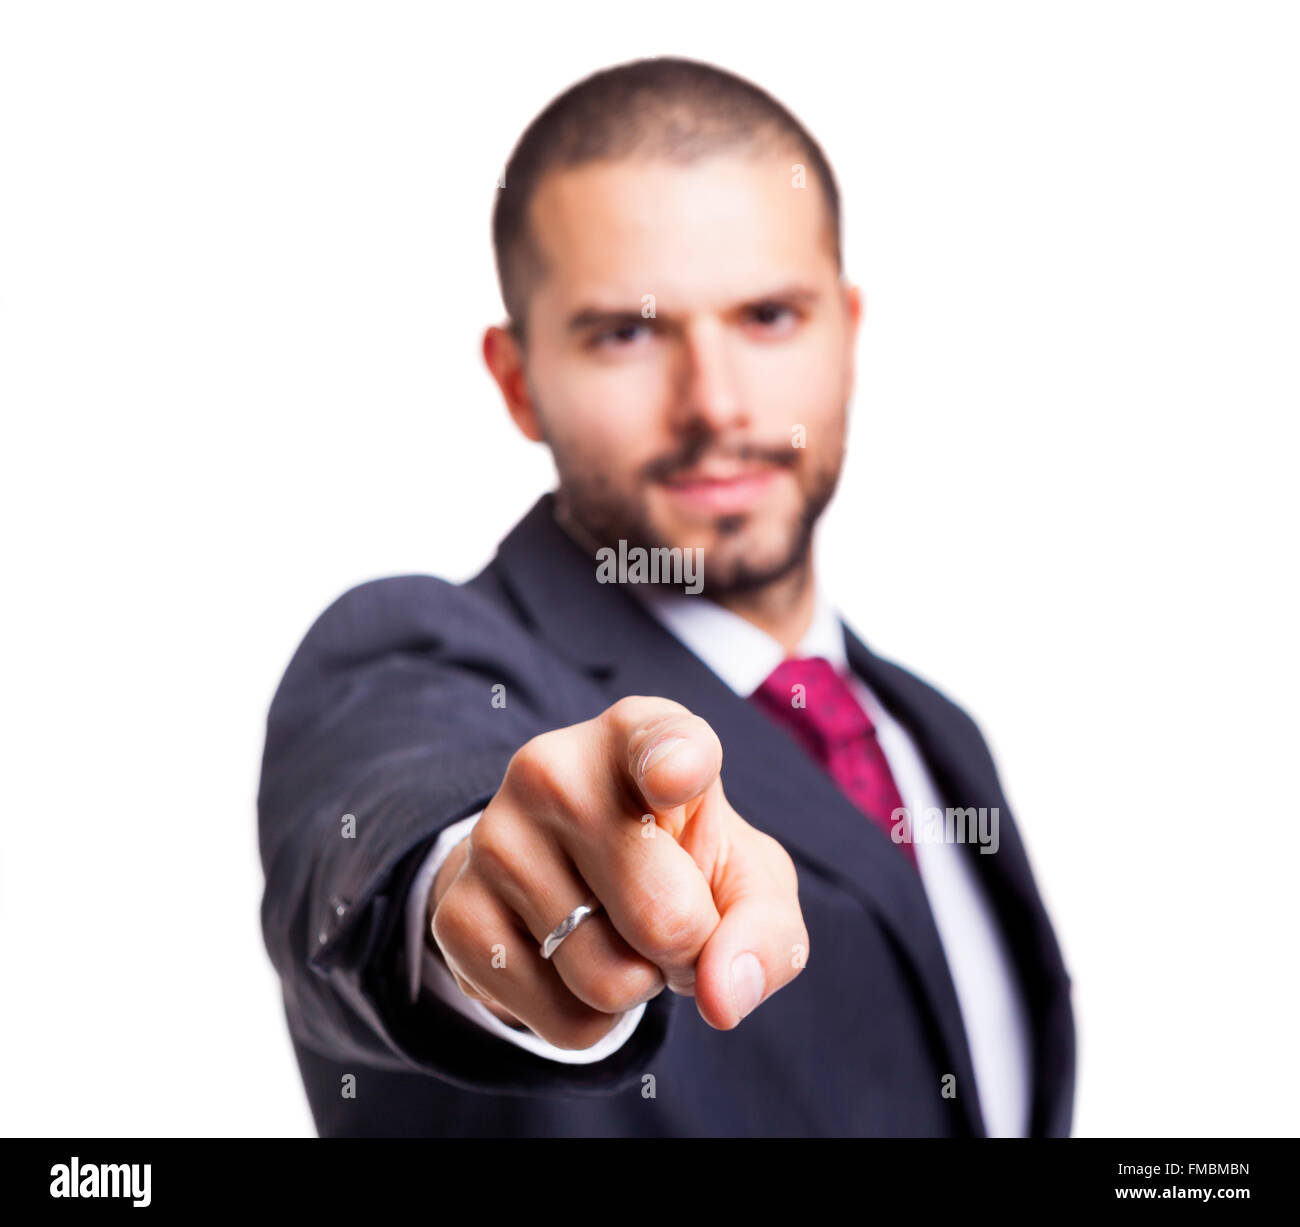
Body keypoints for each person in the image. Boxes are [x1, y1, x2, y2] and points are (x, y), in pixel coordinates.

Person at [258, 55, 1075, 1137]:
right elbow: (392, 844)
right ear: (518, 381)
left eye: (770, 316)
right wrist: (478, 892)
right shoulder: (419, 656)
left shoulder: (933, 732)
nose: (715, 403)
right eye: (628, 333)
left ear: (847, 329)